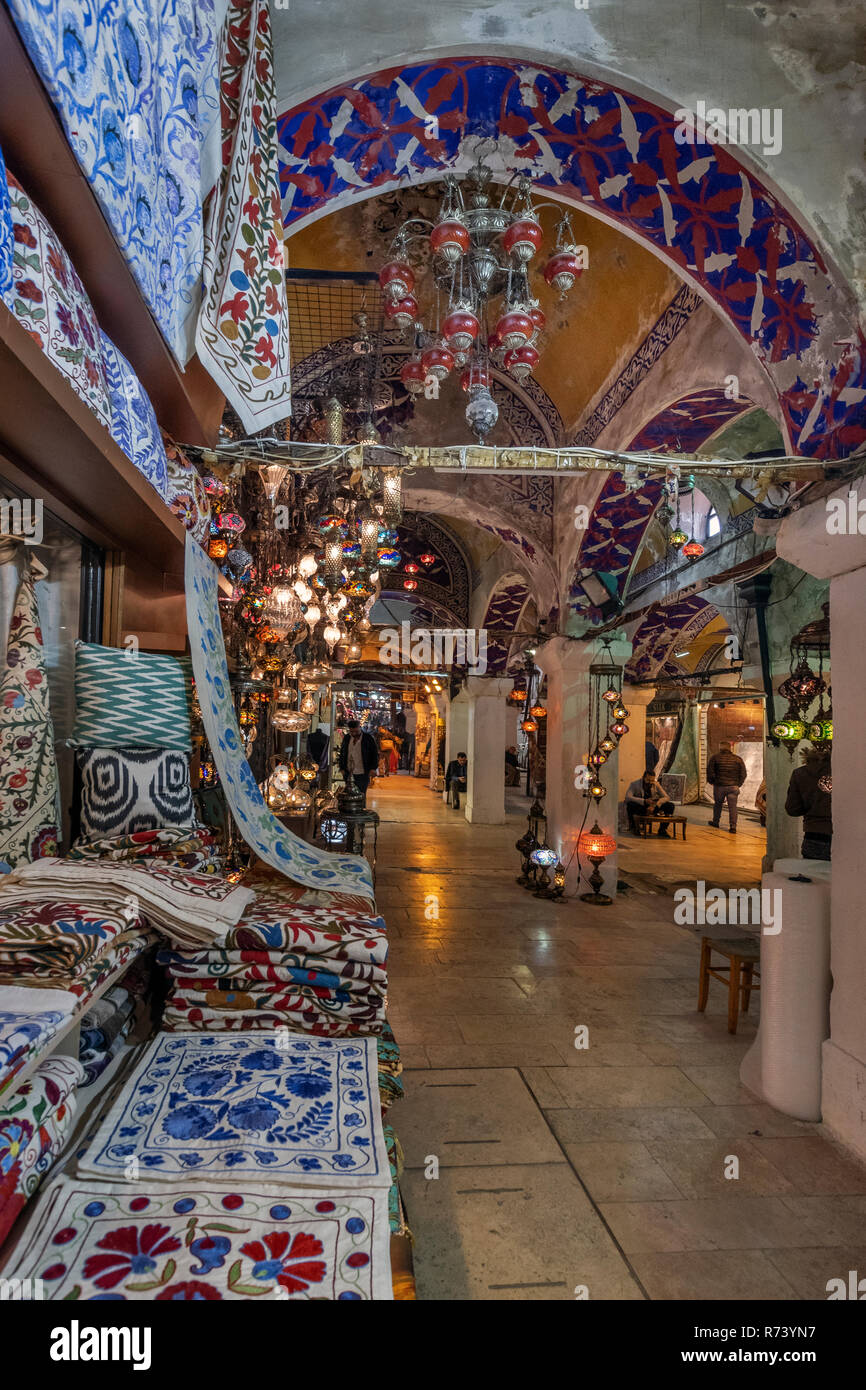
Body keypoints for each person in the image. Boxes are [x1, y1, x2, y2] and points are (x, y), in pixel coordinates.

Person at [785, 748, 832, 860]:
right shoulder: (848, 771)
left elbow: (793, 809)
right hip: (847, 832)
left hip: (814, 833)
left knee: (814, 873)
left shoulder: (800, 773)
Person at [706, 739, 747, 833]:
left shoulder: (715, 758)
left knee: (718, 805)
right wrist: (738, 784)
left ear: (720, 748)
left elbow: (710, 772)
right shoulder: (738, 759)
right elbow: (743, 774)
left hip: (720, 786)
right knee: (733, 807)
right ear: (730, 748)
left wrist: (712, 782)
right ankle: (733, 827)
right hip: (733, 787)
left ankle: (716, 821)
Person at [625, 770, 676, 835]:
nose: (650, 782)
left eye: (652, 780)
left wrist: (656, 804)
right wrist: (644, 801)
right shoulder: (635, 784)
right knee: (630, 804)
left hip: (654, 807)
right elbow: (627, 797)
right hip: (642, 807)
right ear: (643, 777)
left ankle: (662, 829)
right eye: (648, 780)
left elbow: (667, 797)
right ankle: (634, 828)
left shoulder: (656, 784)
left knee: (670, 805)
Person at [338, 720, 379, 801]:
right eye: (351, 731)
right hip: (349, 773)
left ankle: (361, 811)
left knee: (361, 795)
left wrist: (373, 768)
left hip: (363, 772)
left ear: (360, 728)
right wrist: (342, 768)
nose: (354, 734)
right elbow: (343, 753)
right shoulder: (347, 738)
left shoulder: (368, 738)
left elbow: (374, 754)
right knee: (349, 795)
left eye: (356, 731)